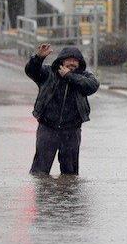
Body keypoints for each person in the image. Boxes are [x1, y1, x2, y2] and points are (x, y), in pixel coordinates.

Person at [25, 44, 100, 175]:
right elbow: (31, 71)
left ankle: (66, 189)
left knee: (70, 174)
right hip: (48, 127)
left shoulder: (84, 76)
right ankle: (42, 189)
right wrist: (38, 58)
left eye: (75, 60)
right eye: (69, 60)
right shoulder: (49, 73)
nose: (72, 63)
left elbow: (92, 86)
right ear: (62, 61)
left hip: (72, 130)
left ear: (79, 63)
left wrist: (69, 76)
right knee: (39, 171)